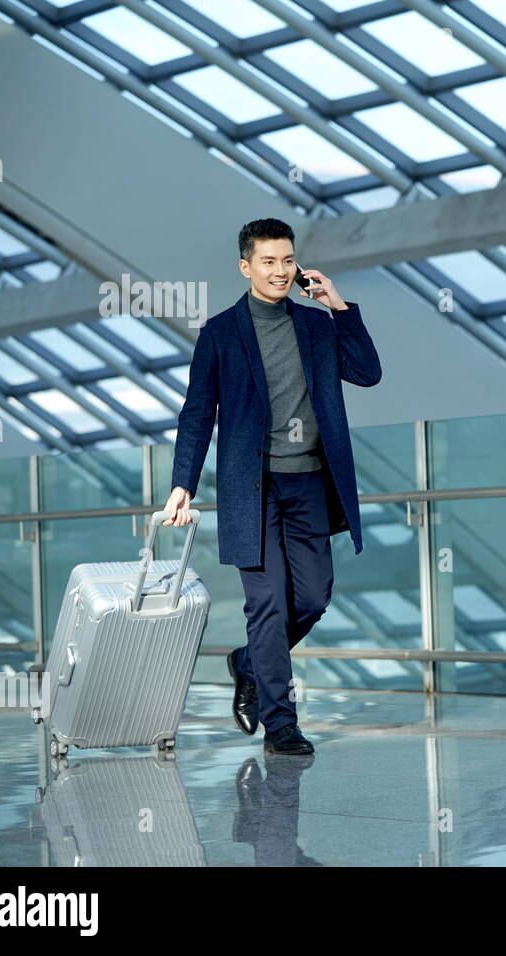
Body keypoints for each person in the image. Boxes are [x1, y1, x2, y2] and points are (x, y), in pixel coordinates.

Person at [162, 217, 381, 755]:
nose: (281, 271)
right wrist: (182, 484)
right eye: (268, 261)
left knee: (312, 596)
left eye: (288, 261)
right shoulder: (219, 333)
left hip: (309, 482)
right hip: (250, 489)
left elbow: (368, 372)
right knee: (268, 608)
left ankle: (248, 662)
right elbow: (196, 415)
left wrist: (337, 306)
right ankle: (281, 722)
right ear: (246, 267)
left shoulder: (315, 327)